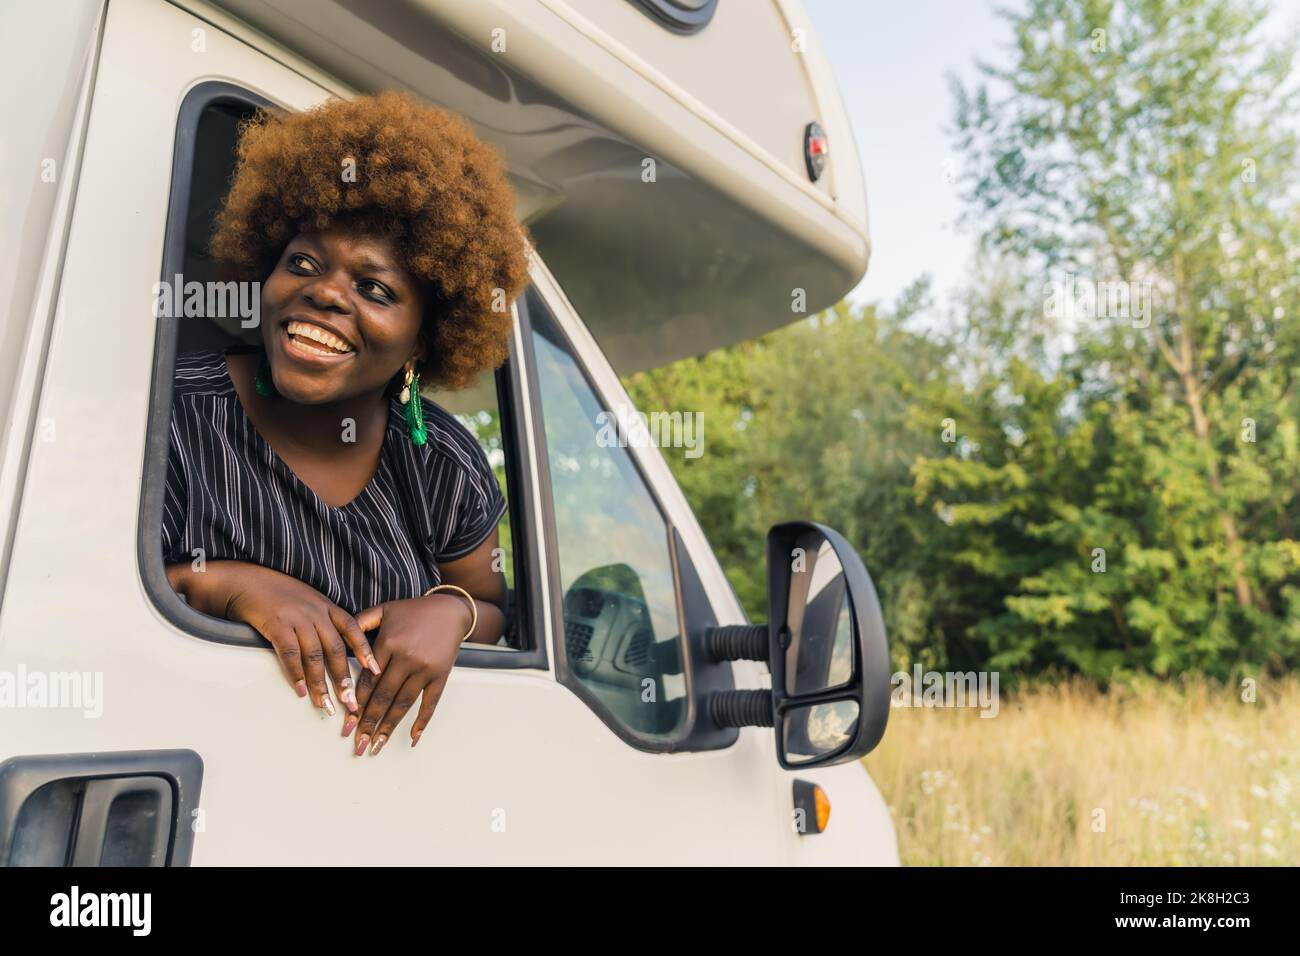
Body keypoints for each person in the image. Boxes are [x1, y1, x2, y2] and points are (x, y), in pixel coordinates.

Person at [162, 91, 530, 757]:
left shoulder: (438, 456)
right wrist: (224, 582)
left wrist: (451, 611)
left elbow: (491, 606)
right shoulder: (171, 413)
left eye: (376, 289)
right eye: (303, 263)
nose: (327, 292)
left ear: (425, 338)